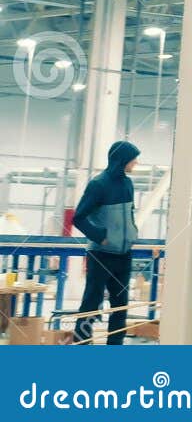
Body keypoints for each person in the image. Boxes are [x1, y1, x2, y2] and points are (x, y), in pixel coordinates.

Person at [70, 140, 141, 344]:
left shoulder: (128, 184)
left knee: (120, 306)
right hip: (101, 255)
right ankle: (81, 345)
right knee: (92, 303)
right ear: (122, 160)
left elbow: (130, 213)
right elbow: (79, 217)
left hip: (124, 254)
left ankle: (115, 349)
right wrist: (100, 236)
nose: (136, 162)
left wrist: (132, 233)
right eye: (133, 158)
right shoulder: (98, 184)